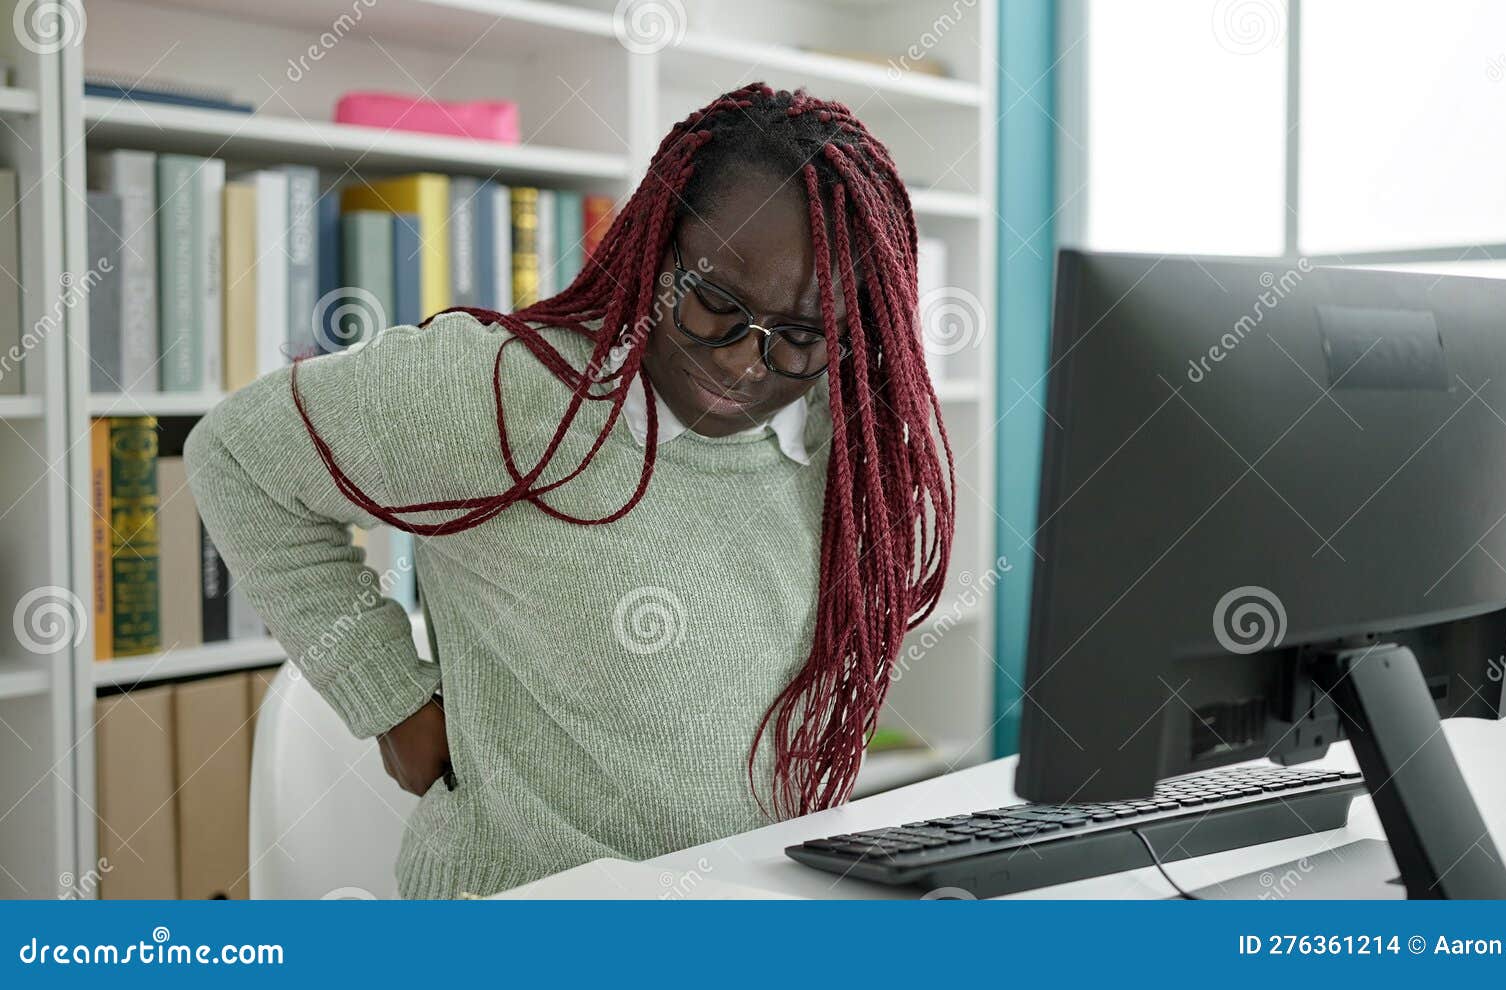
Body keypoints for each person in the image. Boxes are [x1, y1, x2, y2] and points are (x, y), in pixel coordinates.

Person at [185, 83, 955, 898]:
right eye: (714, 304)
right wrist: (388, 697)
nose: (741, 362)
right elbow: (234, 457)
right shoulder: (513, 393)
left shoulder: (851, 452)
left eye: (797, 335)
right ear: (654, 249)